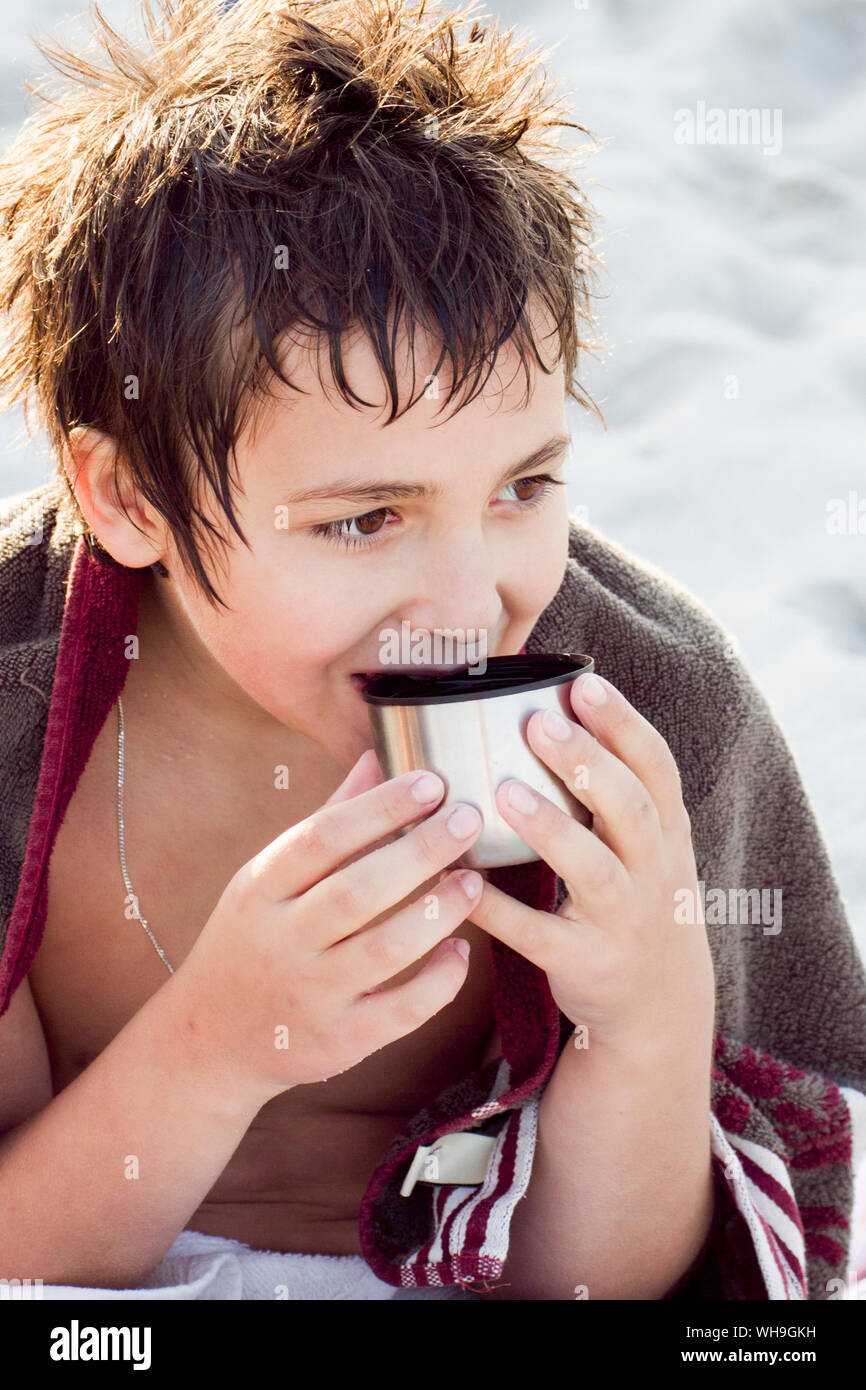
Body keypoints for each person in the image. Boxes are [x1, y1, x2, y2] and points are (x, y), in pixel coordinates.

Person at [0, 0, 863, 1301]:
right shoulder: (20, 728)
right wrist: (219, 1041)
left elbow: (613, 1291)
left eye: (523, 486)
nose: (473, 601)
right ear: (124, 500)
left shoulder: (650, 703)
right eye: (364, 518)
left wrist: (645, 1018)